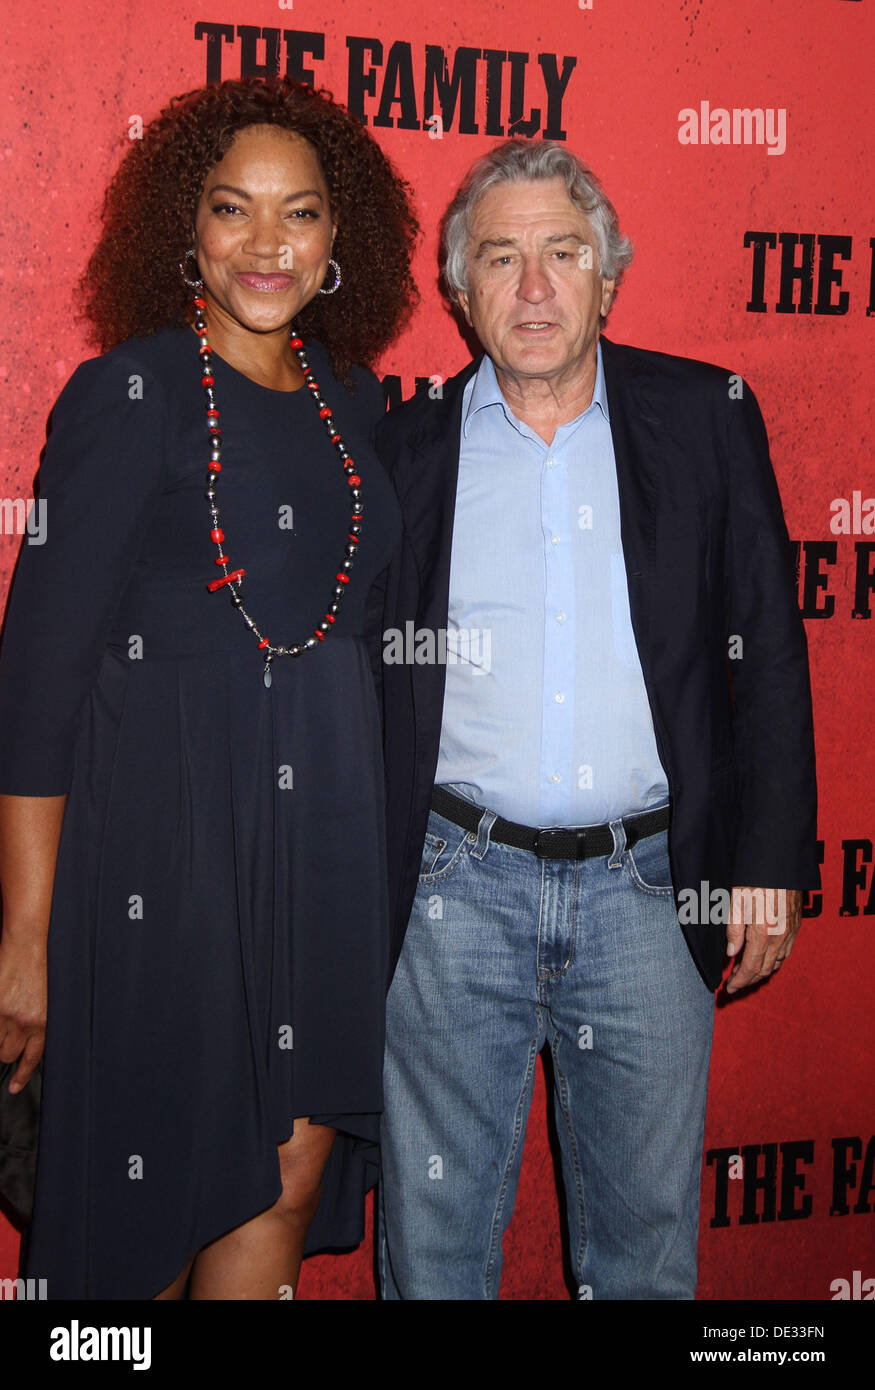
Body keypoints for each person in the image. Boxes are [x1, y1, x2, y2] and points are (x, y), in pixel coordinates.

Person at [372, 138, 819, 1299]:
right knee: (434, 1250)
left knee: (643, 1255)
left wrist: (766, 861)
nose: (532, 288)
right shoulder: (402, 452)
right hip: (450, 890)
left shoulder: (704, 415)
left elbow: (765, 647)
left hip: (648, 889)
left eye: (561, 254)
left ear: (607, 277)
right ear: (459, 292)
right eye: (501, 257)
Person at [0, 75, 418, 1300]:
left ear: (343, 239)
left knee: (283, 1182)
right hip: (161, 862)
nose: (266, 244)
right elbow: (37, 682)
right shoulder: (129, 393)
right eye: (232, 210)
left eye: (298, 214)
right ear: (183, 230)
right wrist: (22, 938)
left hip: (325, 855)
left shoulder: (349, 404)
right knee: (140, 1219)